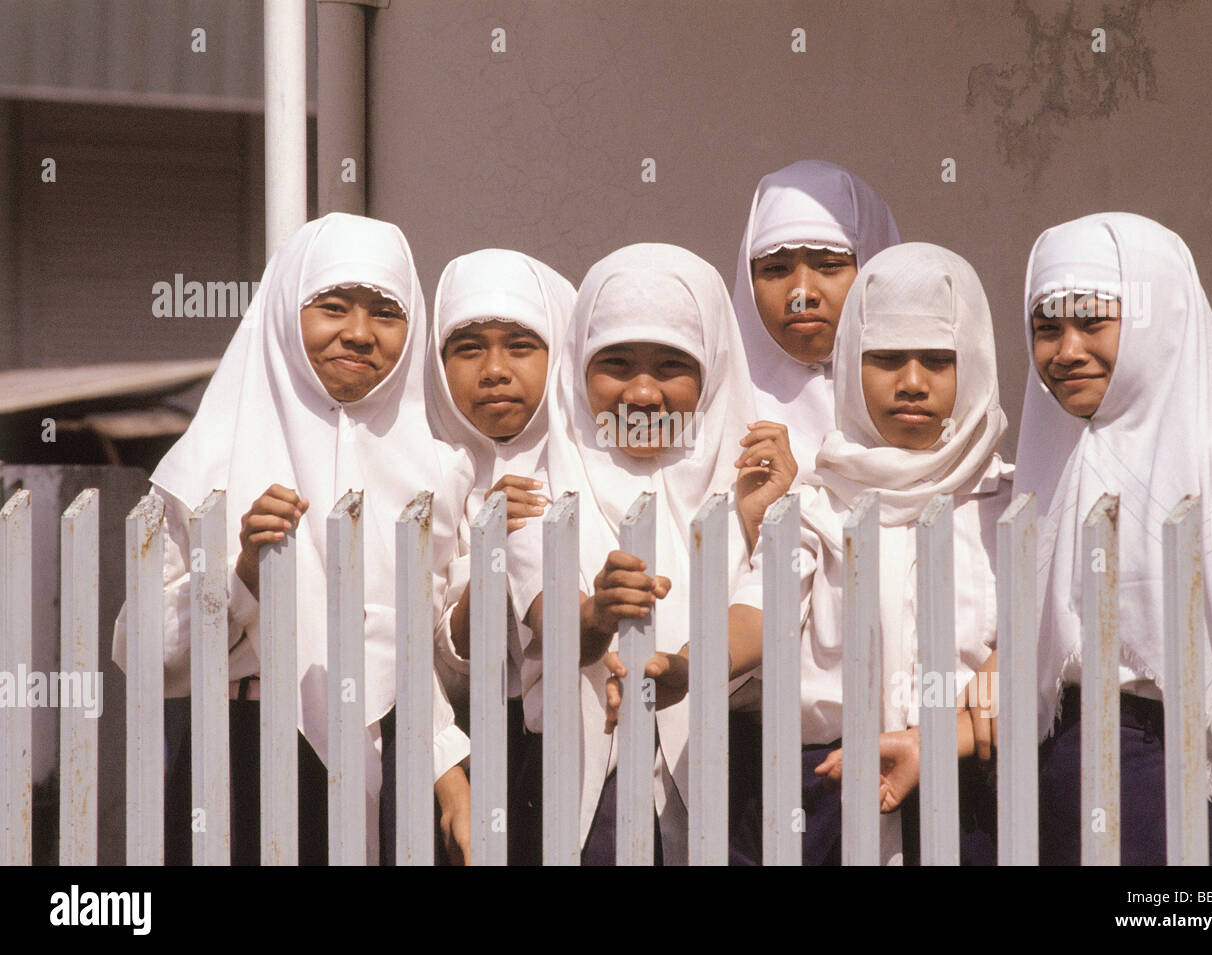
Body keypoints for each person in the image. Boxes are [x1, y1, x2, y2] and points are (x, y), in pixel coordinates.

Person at [111, 213, 474, 865]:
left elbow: (418, 655)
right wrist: (244, 572)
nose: (359, 333)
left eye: (386, 311)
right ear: (284, 309)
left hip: (391, 758)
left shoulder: (438, 469)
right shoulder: (204, 469)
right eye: (332, 305)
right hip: (242, 750)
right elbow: (141, 652)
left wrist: (449, 774)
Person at [640, 242, 1010, 864]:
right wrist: (690, 666)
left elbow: (1040, 634)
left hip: (973, 790)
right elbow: (762, 612)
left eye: (938, 361)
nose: (912, 383)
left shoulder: (1009, 505)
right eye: (886, 359)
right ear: (848, 365)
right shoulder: (818, 503)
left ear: (972, 364)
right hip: (828, 792)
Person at [1011, 211, 1212, 865]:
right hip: (1057, 764)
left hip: (1174, 767)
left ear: (1158, 321)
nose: (1066, 350)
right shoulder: (1046, 463)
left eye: (1093, 321)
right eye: (1046, 328)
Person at [514, 242, 758, 865]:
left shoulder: (754, 494)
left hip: (731, 794)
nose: (644, 394)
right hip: (581, 798)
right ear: (576, 368)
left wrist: (686, 670)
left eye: (673, 363)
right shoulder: (533, 495)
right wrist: (596, 618)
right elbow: (549, 617)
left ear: (713, 369)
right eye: (616, 362)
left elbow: (767, 613)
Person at [427, 248, 576, 865]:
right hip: (461, 751)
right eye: (467, 348)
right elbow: (428, 659)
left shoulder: (598, 469)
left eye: (520, 345)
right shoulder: (422, 471)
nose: (493, 370)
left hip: (585, 744)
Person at [732, 159, 899, 483]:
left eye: (830, 265)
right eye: (775, 269)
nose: (801, 293)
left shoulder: (927, 406)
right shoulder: (712, 414)